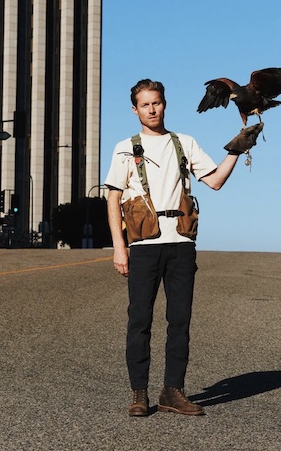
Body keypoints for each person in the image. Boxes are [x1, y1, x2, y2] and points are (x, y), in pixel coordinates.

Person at [104, 79, 261, 417]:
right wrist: (119, 247)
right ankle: (139, 394)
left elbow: (215, 181)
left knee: (180, 321)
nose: (152, 109)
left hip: (181, 243)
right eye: (145, 104)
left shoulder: (184, 143)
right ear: (135, 109)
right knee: (139, 321)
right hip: (144, 245)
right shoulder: (124, 148)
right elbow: (113, 197)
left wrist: (237, 149)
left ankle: (172, 392)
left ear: (164, 104)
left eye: (156, 103)